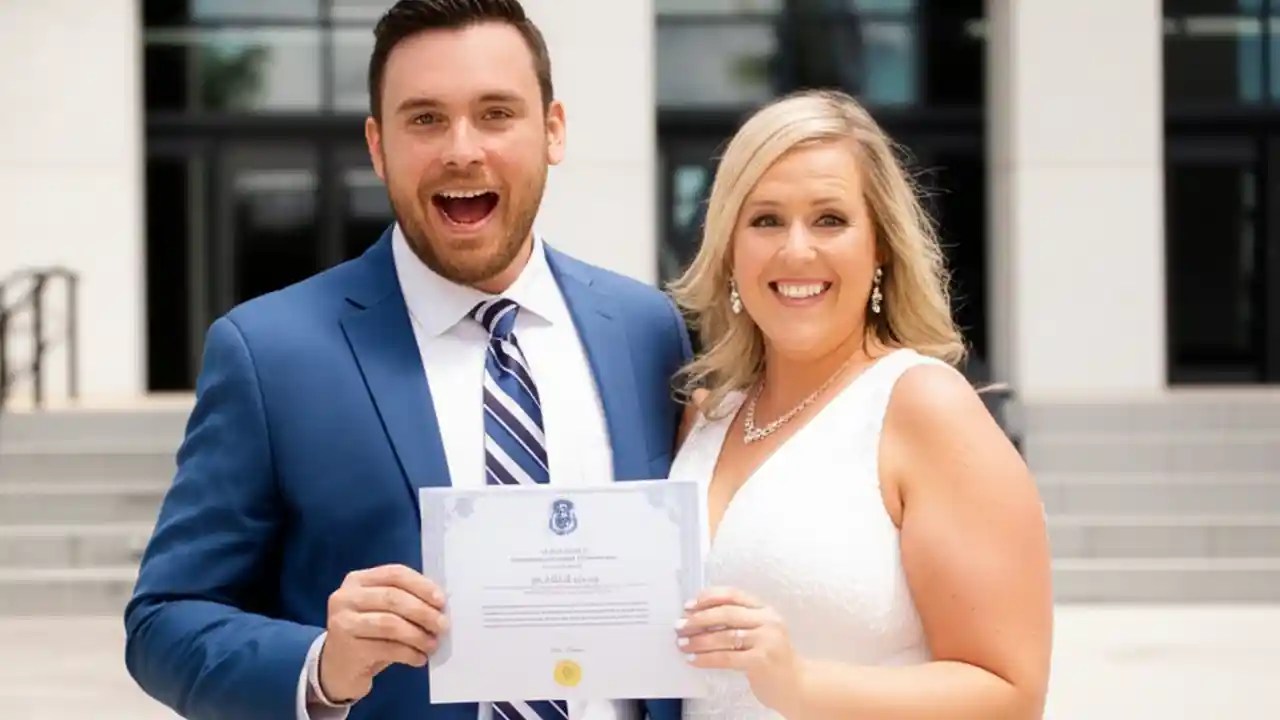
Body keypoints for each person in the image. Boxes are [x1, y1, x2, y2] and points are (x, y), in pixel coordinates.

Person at [123, 2, 689, 719]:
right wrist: (322, 666)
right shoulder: (270, 354)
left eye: (496, 114)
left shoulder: (646, 330)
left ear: (553, 130)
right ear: (377, 144)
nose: (461, 149)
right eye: (424, 119)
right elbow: (163, 620)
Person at [664, 89, 1054, 719]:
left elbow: (1011, 695)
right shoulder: (707, 417)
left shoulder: (924, 406)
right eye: (765, 219)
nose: (796, 250)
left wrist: (801, 684)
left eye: (829, 219)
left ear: (879, 249)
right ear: (729, 249)